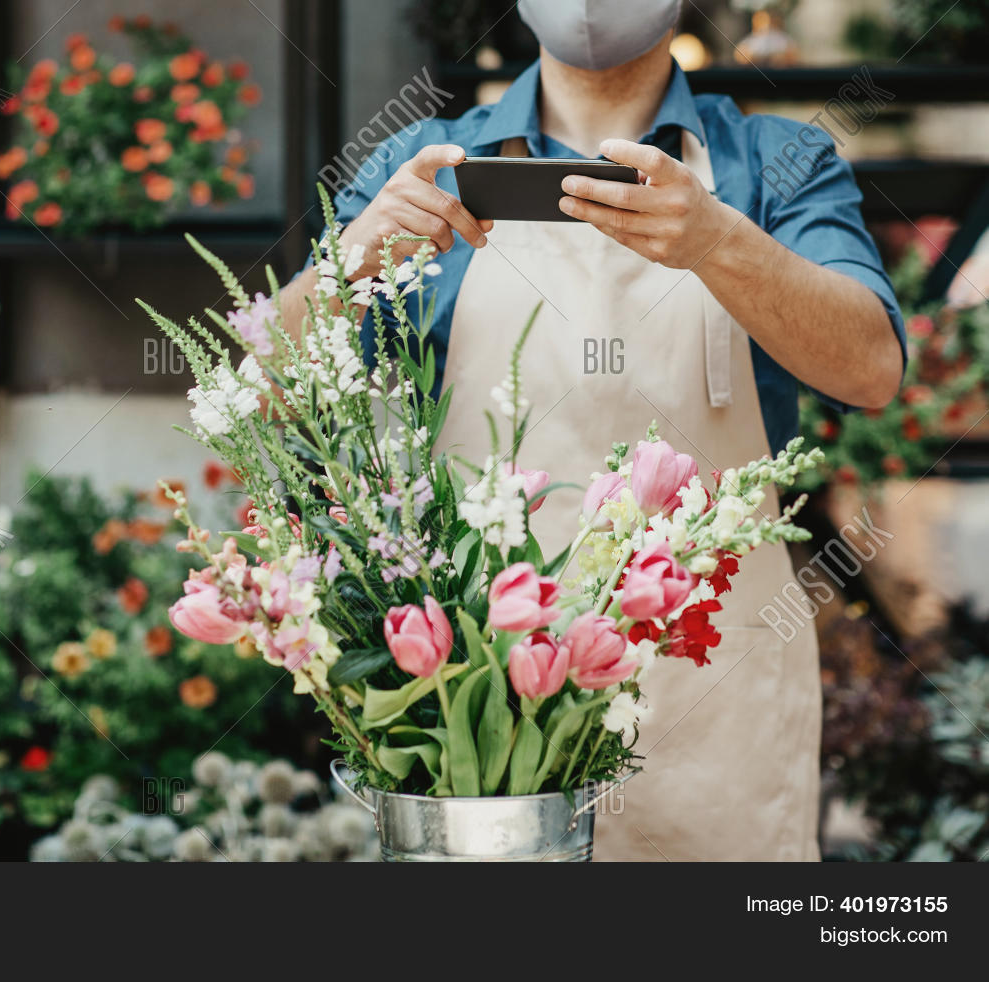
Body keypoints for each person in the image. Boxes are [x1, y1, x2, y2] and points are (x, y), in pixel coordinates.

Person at [278, 0, 905, 860]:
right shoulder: (421, 163)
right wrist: (350, 262)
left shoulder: (775, 163)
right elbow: (264, 390)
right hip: (480, 697)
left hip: (710, 691)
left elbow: (870, 367)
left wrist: (720, 240)